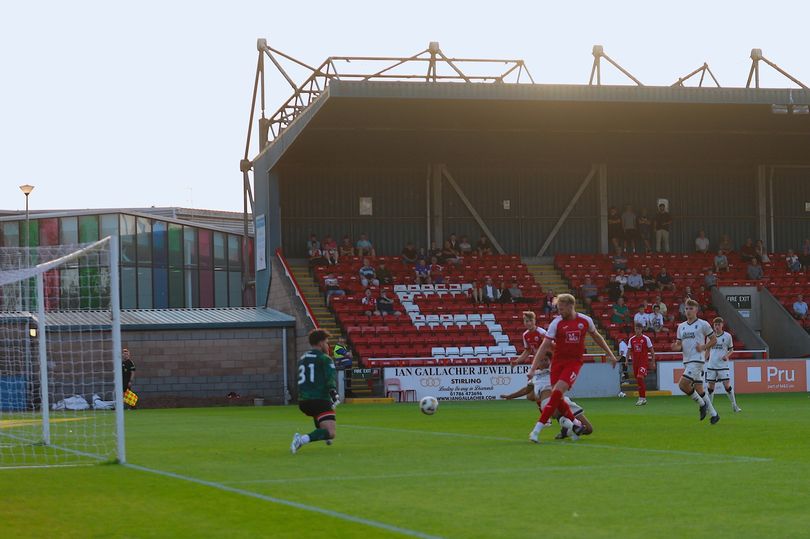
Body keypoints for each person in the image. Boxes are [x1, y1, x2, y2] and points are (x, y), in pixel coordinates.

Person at [526, 294, 617, 442]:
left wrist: (610, 354)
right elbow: (544, 347)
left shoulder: (585, 321)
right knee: (559, 398)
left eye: (561, 309)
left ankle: (536, 430)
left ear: (570, 306)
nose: (559, 312)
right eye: (558, 309)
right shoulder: (556, 323)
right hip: (557, 363)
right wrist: (532, 368)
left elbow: (597, 336)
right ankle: (576, 424)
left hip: (573, 363)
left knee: (556, 393)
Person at [290, 329, 339, 454]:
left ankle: (323, 437)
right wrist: (333, 393)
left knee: (321, 417)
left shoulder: (302, 358)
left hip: (303, 401)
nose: (327, 345)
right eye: (326, 342)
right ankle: (301, 439)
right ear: (321, 343)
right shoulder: (324, 359)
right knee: (331, 432)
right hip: (319, 399)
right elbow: (330, 378)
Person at [671, 299, 719, 424]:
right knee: (699, 389)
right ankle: (714, 415)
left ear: (696, 310)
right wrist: (676, 347)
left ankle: (702, 404)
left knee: (682, 385)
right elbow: (679, 344)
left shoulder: (703, 324)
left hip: (697, 360)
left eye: (691, 309)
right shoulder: (681, 327)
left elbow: (714, 340)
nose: (688, 311)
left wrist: (703, 347)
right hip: (687, 361)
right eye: (686, 308)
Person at [704, 317, 741, 413]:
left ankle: (734, 405)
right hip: (711, 365)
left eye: (718, 324)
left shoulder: (728, 336)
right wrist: (703, 361)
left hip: (722, 366)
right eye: (715, 325)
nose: (716, 326)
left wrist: (727, 355)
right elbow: (707, 350)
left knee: (727, 386)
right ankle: (709, 407)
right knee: (710, 388)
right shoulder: (709, 337)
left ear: (722, 325)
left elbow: (731, 349)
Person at [628, 324, 655, 405]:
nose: (638, 330)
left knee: (640, 377)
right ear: (635, 329)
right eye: (636, 329)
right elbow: (628, 351)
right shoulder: (631, 339)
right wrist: (626, 360)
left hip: (643, 362)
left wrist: (653, 362)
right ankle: (643, 399)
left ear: (642, 329)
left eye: (639, 329)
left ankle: (641, 398)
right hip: (635, 363)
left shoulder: (646, 339)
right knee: (639, 380)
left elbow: (652, 351)